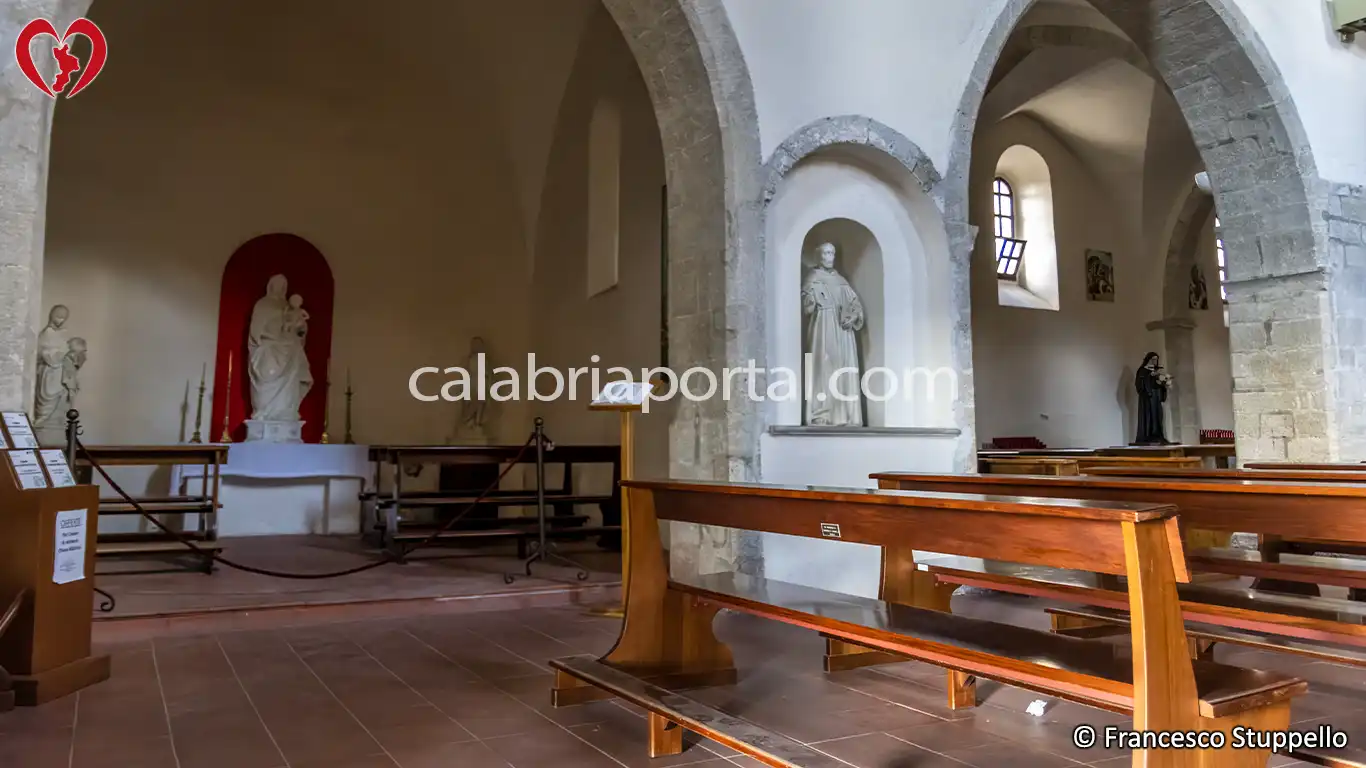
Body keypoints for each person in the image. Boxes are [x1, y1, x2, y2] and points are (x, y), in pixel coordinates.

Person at [802, 243, 865, 426]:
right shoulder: (812, 278)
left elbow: (856, 305)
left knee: (843, 368)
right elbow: (806, 306)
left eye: (832, 253)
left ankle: (845, 415)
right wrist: (811, 299)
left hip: (843, 331)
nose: (829, 257)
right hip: (823, 327)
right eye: (826, 253)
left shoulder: (841, 281)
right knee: (823, 368)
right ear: (818, 256)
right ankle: (821, 414)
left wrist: (853, 316)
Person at [248, 275, 314, 421]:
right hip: (268, 349)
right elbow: (255, 331)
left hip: (288, 349)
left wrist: (301, 327)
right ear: (270, 286)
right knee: (265, 386)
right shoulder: (262, 304)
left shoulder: (288, 307)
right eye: (277, 284)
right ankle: (263, 412)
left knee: (294, 368)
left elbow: (299, 330)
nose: (280, 288)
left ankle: (287, 411)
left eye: (283, 285)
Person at [33, 305, 72, 431]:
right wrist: (53, 355)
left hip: (59, 371)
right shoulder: (46, 333)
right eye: (58, 317)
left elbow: (67, 350)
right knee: (45, 396)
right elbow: (41, 353)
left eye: (63, 318)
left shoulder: (63, 333)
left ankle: (49, 421)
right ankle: (41, 418)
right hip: (48, 371)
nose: (60, 320)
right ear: (52, 316)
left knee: (59, 396)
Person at [1134, 352, 1172, 445]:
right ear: (1149, 359)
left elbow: (1157, 384)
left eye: (1156, 359)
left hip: (1156, 398)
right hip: (1147, 399)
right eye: (1153, 359)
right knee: (1149, 418)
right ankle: (1148, 436)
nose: (1155, 361)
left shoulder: (1155, 371)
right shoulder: (1142, 370)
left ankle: (1157, 435)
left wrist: (1163, 384)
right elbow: (1139, 384)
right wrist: (1150, 376)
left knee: (1158, 416)